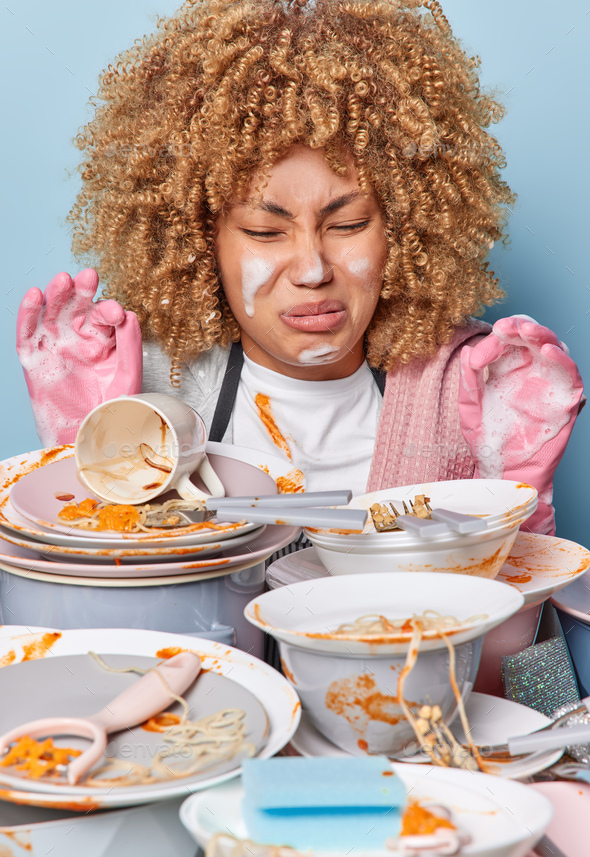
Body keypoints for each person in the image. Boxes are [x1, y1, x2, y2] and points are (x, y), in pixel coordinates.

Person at [16, 0, 583, 536]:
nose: (312, 270)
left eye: (349, 225)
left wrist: (519, 510)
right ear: (197, 238)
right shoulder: (146, 398)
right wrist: (84, 465)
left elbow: (518, 644)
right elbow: (101, 632)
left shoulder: (472, 389)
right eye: (265, 232)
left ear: (407, 228)